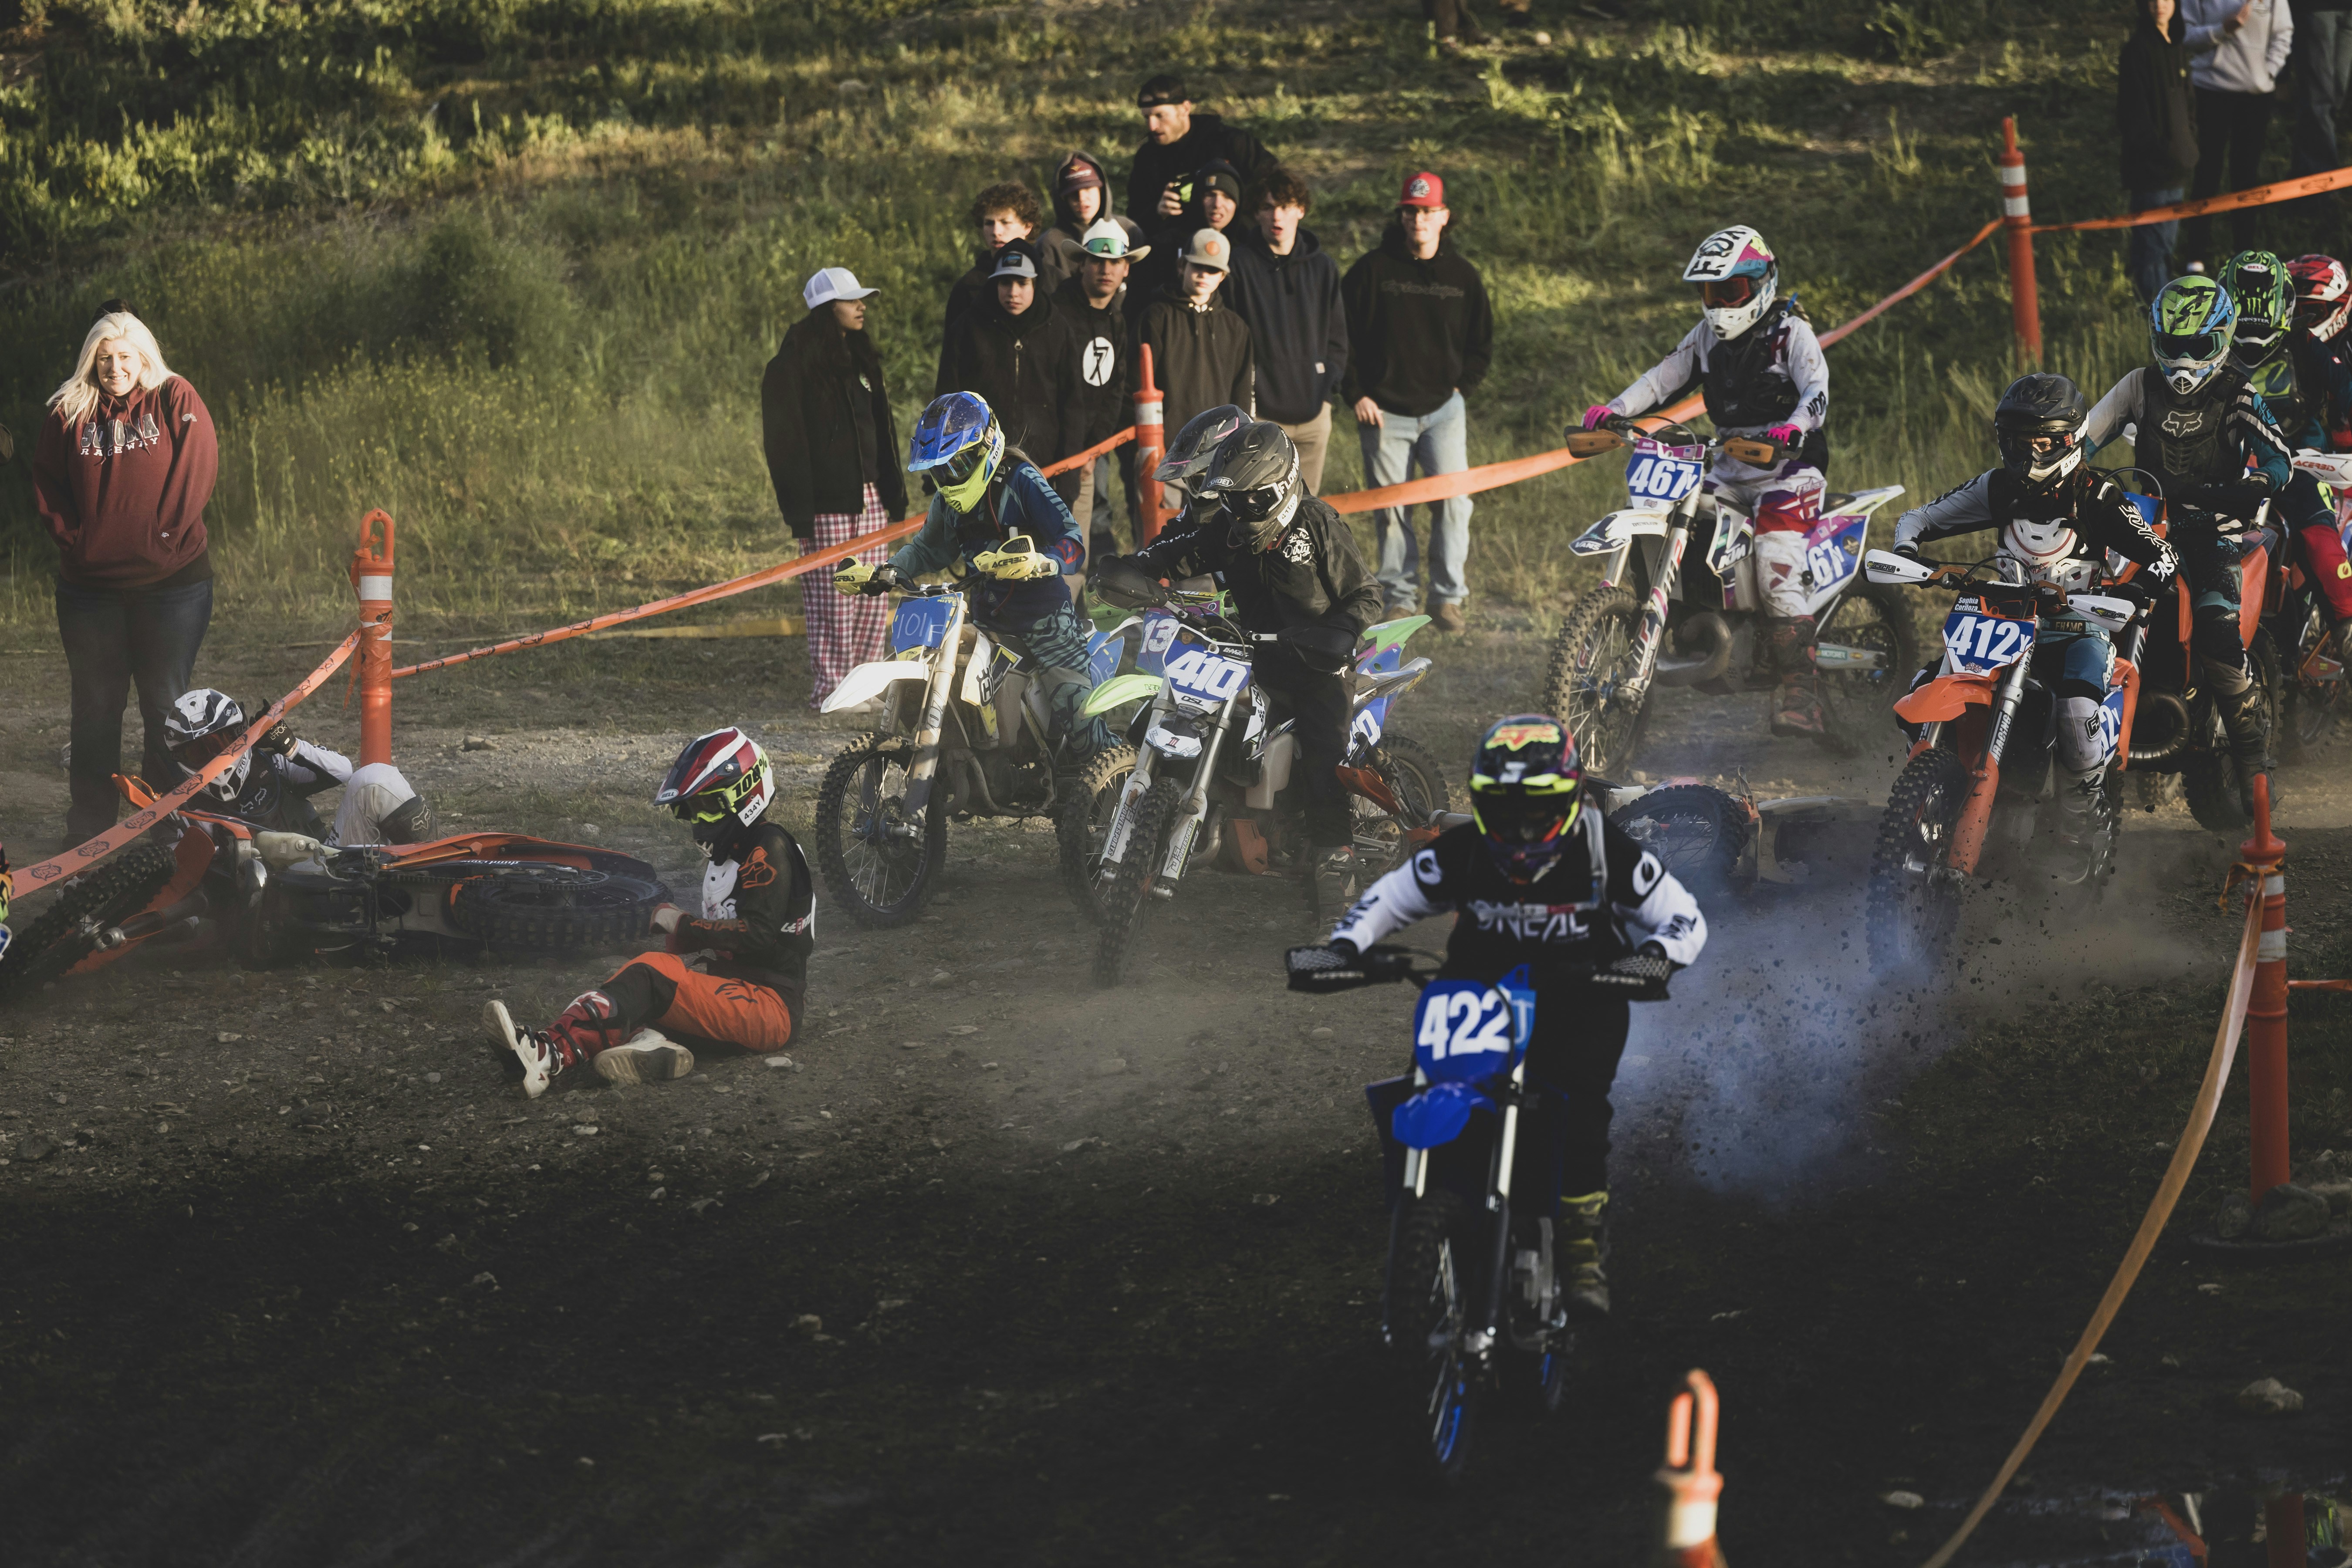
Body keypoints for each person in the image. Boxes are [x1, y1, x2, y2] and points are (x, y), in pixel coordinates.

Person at [1314, 713, 1709, 1318]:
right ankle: (1425, 1206)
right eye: (1504, 811)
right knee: (1427, 1083)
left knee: (1577, 1115)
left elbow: (1683, 917)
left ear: (1571, 801)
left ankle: (1580, 1246)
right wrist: (1345, 946)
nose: (1520, 829)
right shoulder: (1467, 849)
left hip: (1583, 997)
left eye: (1536, 811)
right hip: (1476, 994)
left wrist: (1653, 959)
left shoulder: (1603, 848)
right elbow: (1392, 898)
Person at [1890, 375, 2181, 870]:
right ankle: (1940, 792)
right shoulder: (1996, 487)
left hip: (2080, 622)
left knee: (2075, 714)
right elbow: (1919, 518)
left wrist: (2133, 593)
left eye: (2043, 443)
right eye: (2020, 442)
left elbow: (2163, 556)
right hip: (2004, 616)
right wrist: (1909, 553)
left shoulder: (2098, 493)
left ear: (2070, 441)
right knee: (1927, 681)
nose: (2030, 454)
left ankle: (2077, 825)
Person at [1109, 421, 1382, 910]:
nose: (1242, 511)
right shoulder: (1228, 533)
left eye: (1253, 499)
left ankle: (1337, 877)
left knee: (1325, 764)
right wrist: (1132, 570)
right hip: (1254, 659)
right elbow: (1171, 555)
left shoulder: (1318, 523)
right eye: (1233, 500)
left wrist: (1340, 633)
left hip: (1320, 666)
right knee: (1206, 721)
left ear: (1279, 487)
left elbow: (1366, 594)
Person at [1584, 225, 1831, 734]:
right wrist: (1614, 411)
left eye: (1729, 292)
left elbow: (1817, 393)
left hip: (1788, 472)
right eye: (1709, 293)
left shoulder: (1791, 334)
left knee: (1774, 566)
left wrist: (1795, 428)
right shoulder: (1705, 340)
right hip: (1726, 469)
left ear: (1761, 283)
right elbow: (1661, 379)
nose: (1718, 304)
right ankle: (1679, 630)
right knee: (1682, 526)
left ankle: (1803, 694)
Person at [487, 728, 811, 1095]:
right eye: (690, 810)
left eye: (706, 807)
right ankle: (655, 1046)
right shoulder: (736, 855)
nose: (698, 822)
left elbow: (758, 934)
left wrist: (682, 923)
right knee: (640, 983)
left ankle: (545, 1056)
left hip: (771, 1008)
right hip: (740, 994)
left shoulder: (771, 847)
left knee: (651, 975)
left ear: (743, 793)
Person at [2085, 274, 2292, 808]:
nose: (2183, 359)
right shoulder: (2138, 385)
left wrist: (2259, 482)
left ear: (2220, 341)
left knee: (2220, 639)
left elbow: (2280, 456)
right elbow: (2085, 434)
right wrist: (2060, 467)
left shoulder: (2238, 393)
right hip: (2141, 524)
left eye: (2197, 346)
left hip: (2213, 534)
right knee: (2072, 602)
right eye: (2173, 346)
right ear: (2157, 339)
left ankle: (2253, 771)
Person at [30, 307, 219, 850]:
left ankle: (166, 824)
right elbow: (48, 484)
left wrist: (165, 539)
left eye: (124, 357)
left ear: (143, 357)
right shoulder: (68, 411)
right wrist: (78, 543)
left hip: (173, 587)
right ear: (92, 360)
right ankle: (90, 826)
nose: (115, 368)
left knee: (164, 703)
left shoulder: (175, 397)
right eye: (105, 358)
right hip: (90, 594)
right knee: (95, 705)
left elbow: (198, 467)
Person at [835, 392, 1112, 757]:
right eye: (940, 470)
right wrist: (886, 571)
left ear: (987, 447)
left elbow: (1073, 543)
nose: (948, 478)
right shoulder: (947, 501)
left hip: (1046, 619)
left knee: (1077, 711)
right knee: (934, 679)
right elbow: (927, 550)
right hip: (986, 618)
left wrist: (1041, 562)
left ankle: (1120, 788)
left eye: (957, 465)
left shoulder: (1022, 480)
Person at [1343, 172, 1494, 635]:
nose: (1419, 220)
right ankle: (1399, 599)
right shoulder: (1372, 272)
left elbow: (1481, 342)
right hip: (1384, 411)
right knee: (1391, 511)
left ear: (1444, 217)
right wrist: (1355, 394)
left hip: (1443, 413)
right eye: (1411, 211)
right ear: (1402, 216)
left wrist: (1461, 389)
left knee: (1454, 504)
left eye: (1428, 211)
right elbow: (1339, 337)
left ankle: (1448, 600)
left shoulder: (1462, 276)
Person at [761, 267, 910, 710]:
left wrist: (893, 495)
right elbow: (785, 445)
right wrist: (799, 512)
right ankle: (832, 690)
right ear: (829, 308)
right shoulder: (792, 365)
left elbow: (882, 432)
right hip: (826, 506)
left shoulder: (863, 359)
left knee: (872, 593)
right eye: (852, 300)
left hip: (870, 499)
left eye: (862, 298)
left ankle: (864, 687)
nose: (862, 306)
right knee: (833, 598)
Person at [2224, 251, 2352, 631]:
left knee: (2320, 542)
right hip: (2228, 466)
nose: (2253, 314)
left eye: (2260, 303)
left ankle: (2347, 628)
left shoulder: (2303, 342)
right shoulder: (2213, 347)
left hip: (2299, 462)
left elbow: (2344, 387)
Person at [163, 689, 436, 845]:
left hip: (330, 869)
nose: (215, 757)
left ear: (242, 734)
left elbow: (343, 771)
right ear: (181, 759)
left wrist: (290, 745)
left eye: (222, 743)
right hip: (267, 912)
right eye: (200, 752)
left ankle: (434, 869)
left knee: (377, 778)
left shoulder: (271, 764)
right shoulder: (184, 810)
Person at [1223, 166, 1349, 494]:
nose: (1277, 215)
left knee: (1306, 515)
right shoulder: (1238, 265)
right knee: (1259, 514)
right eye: (1268, 207)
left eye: (1286, 206)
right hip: (1261, 416)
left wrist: (1327, 389)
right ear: (1257, 214)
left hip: (1314, 415)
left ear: (1301, 210)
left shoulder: (1323, 267)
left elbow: (1338, 337)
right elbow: (1228, 338)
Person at [935, 239, 1089, 506]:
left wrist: (1068, 476)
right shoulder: (967, 328)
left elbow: (1073, 406)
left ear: (1037, 283)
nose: (1013, 293)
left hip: (1043, 470)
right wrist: (944, 468)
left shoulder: (1058, 329)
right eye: (1005, 283)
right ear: (994, 284)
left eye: (1022, 283)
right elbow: (947, 402)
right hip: (979, 471)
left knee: (1037, 548)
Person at [1053, 218, 1148, 558]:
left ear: (1126, 270)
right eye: (1097, 261)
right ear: (1082, 265)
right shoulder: (1055, 313)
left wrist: (1094, 451)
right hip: (1051, 455)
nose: (1106, 270)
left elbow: (1115, 390)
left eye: (1115, 263)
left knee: (1077, 547)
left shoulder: (1117, 321)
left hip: (1088, 458)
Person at [2180, 0, 2295, 267]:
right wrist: (2223, 30)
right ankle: (2196, 254)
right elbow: (2185, 36)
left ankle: (2245, 255)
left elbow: (2284, 33)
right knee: (2207, 169)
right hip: (2211, 89)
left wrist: (2268, 71)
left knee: (2246, 173)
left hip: (2255, 96)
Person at [1133, 227, 1257, 458]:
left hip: (1218, 455)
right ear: (1182, 266)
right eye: (1197, 266)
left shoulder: (1236, 328)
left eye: (1213, 270)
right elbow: (1134, 384)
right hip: (1165, 451)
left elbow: (1242, 394)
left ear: (1222, 277)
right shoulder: (1156, 317)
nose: (1204, 275)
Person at [2120, 0, 2202, 304]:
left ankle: (2162, 312)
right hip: (2151, 172)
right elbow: (2132, 116)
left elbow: (2189, 104)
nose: (2159, 6)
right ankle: (2157, 315)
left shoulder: (2176, 48)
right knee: (2152, 249)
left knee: (2164, 246)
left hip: (2178, 168)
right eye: (2153, 1)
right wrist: (2160, 151)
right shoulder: (2135, 52)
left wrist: (2188, 145)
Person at [939, 182, 1060, 373]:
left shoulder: (1054, 280)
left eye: (1005, 222)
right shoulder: (969, 287)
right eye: (989, 223)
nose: (996, 232)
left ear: (1027, 227)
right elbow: (952, 359)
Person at [1126, 75, 1277, 228]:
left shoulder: (1231, 143)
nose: (1152, 126)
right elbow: (1135, 218)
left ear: (1185, 109)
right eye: (1147, 117)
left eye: (1160, 116)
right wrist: (1158, 212)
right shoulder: (1148, 159)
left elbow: (1275, 186)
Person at [2287, 0, 2352, 182]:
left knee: (2335, 97)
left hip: (2348, 10)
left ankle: (2303, 176)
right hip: (2315, 8)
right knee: (2319, 99)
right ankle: (2324, 186)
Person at [1039, 152, 1117, 282]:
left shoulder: (1128, 231)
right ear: (1063, 199)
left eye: (1088, 189)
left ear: (1101, 190)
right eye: (1073, 193)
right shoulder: (1049, 244)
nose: (1081, 198)